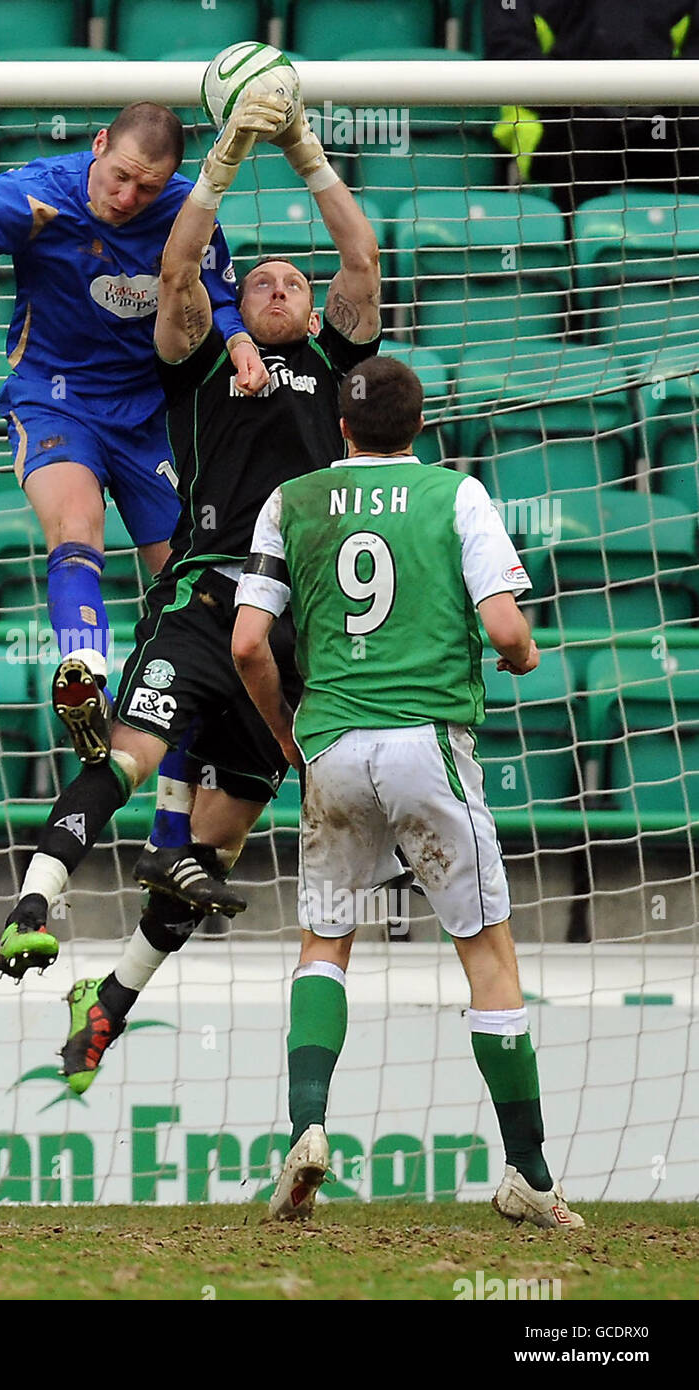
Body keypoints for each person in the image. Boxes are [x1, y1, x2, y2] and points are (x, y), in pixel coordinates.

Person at [0, 81, 383, 1106]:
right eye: (257, 277)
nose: (277, 281)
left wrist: (303, 151)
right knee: (127, 754)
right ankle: (34, 901)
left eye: (291, 280)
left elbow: (359, 259)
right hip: (208, 597)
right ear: (236, 307)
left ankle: (109, 1005)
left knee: (211, 850)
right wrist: (215, 173)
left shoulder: (336, 366)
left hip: (298, 629)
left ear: (311, 311)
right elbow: (178, 271)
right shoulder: (209, 362)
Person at [231, 355, 585, 1230]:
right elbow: (505, 628)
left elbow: (246, 645)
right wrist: (520, 655)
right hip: (427, 741)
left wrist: (288, 734)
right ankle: (529, 1176)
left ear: (340, 428)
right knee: (486, 955)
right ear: (417, 426)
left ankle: (307, 1128)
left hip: (333, 745)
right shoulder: (455, 495)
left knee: (325, 940)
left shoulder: (292, 499)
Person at [0, 102, 264, 863]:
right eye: (120, 177)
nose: (128, 198)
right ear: (97, 147)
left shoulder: (185, 209)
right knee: (75, 523)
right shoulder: (44, 194)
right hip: (54, 396)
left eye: (145, 186)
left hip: (151, 414)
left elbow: (218, 292)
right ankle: (83, 668)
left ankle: (169, 834)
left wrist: (240, 339)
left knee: (194, 603)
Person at [486, 0, 699, 215]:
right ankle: (573, 244)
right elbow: (509, 51)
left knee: (690, 133)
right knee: (590, 136)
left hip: (657, 122)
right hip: (557, 120)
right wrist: (577, 94)